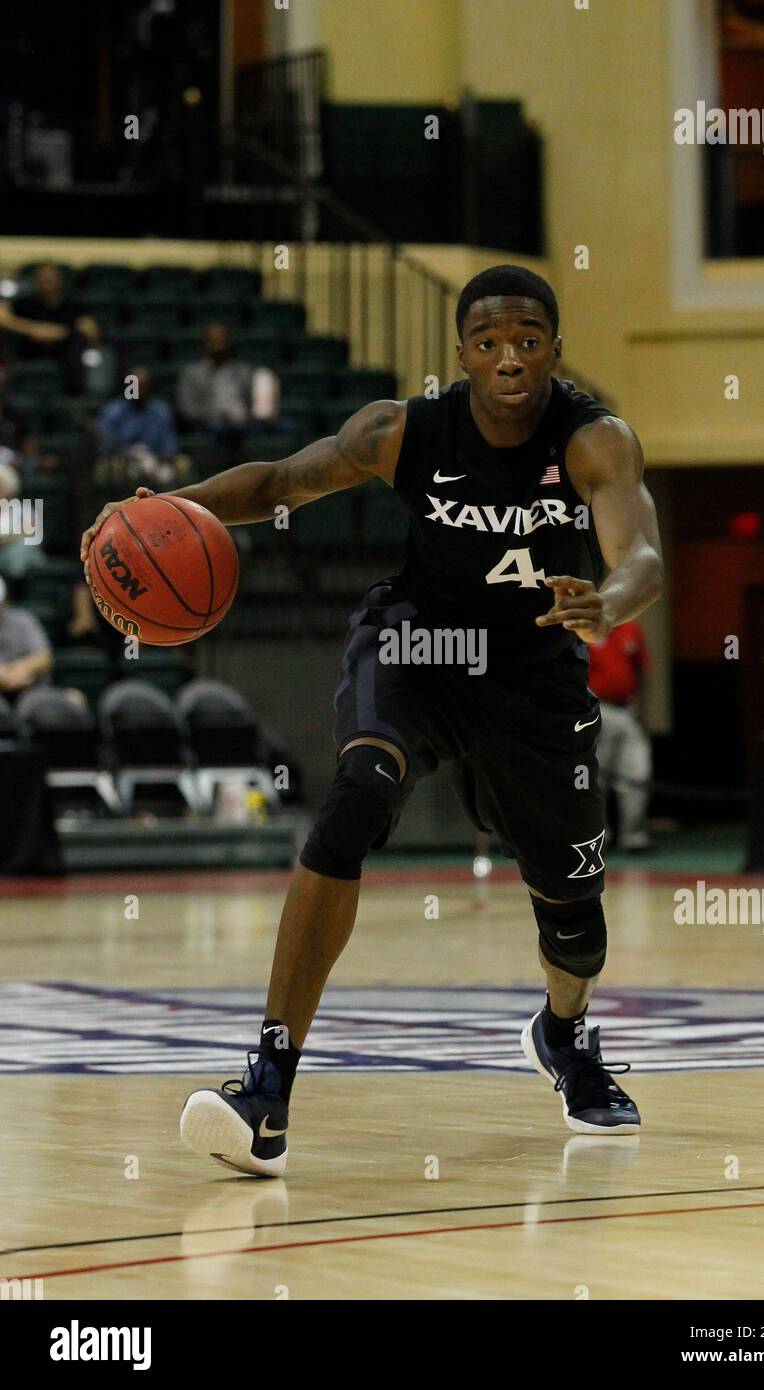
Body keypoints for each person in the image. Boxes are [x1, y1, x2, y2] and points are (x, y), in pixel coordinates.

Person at [82, 264, 663, 1176]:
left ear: (555, 346)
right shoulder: (401, 431)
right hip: (420, 647)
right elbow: (277, 481)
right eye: (488, 343)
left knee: (575, 923)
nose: (509, 358)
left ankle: (564, 1035)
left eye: (527, 340)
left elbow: (642, 554)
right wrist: (160, 510)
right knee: (354, 799)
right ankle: (266, 1086)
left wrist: (609, 599)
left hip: (535, 675)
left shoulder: (594, 440)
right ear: (462, 354)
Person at [589, 620, 653, 850]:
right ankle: (597, 837)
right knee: (597, 777)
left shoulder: (631, 628)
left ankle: (633, 836)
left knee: (638, 771)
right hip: (597, 709)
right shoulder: (586, 626)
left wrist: (642, 712)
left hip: (628, 710)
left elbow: (642, 669)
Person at [0, 263, 100, 374]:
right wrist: (33, 329)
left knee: (79, 341)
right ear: (36, 281)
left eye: (50, 279)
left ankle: (75, 386)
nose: (46, 282)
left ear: (60, 280)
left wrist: (59, 333)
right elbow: (3, 317)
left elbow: (89, 328)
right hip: (30, 347)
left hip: (64, 349)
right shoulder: (25, 303)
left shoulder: (72, 304)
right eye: (42, 279)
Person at [97, 365, 179, 483]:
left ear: (150, 386)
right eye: (134, 385)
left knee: (166, 473)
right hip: (122, 463)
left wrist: (154, 460)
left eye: (143, 385)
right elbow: (104, 446)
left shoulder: (161, 412)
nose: (138, 389)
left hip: (153, 462)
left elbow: (168, 448)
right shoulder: (113, 411)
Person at [176, 323, 254, 437]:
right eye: (213, 341)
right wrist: (215, 415)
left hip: (242, 424)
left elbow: (253, 404)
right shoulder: (191, 373)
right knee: (220, 429)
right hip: (209, 425)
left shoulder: (244, 371)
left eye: (220, 341)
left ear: (229, 342)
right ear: (205, 343)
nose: (217, 346)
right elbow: (187, 409)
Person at [0, 574, 53, 702]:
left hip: (29, 691)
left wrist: (16, 670)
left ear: (4, 601)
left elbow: (44, 658)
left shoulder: (23, 620)